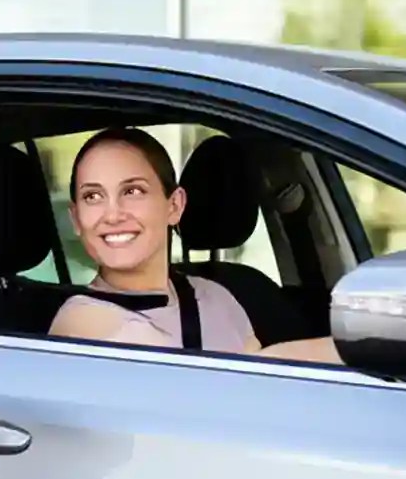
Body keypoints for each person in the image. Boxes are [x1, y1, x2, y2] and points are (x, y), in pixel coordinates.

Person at [48, 127, 341, 364]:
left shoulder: (217, 295)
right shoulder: (81, 319)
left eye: (133, 191)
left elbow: (254, 371)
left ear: (174, 205)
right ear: (76, 218)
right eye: (93, 197)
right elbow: (224, 384)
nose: (112, 214)